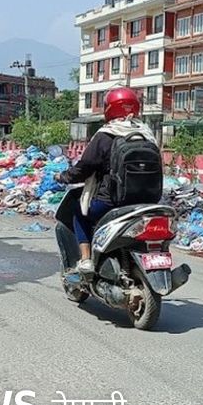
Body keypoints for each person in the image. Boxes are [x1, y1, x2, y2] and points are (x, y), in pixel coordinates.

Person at [56, 87, 157, 275]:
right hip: (147, 202)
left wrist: (63, 177)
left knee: (79, 213)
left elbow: (84, 167)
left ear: (109, 108)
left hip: (111, 202)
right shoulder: (147, 134)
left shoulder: (106, 135)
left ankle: (86, 260)